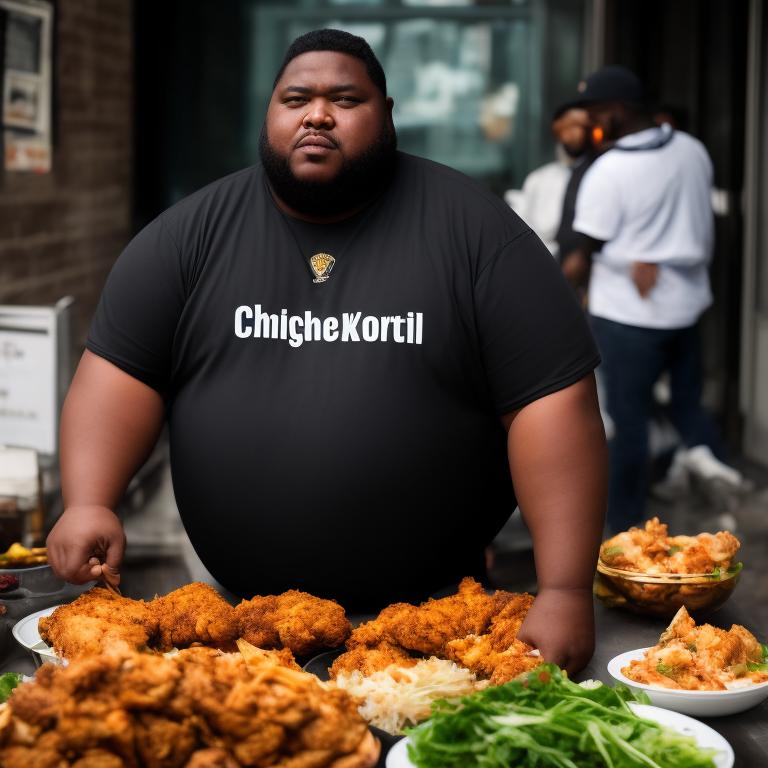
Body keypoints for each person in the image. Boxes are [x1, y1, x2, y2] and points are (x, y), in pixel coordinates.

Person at [46, 29, 606, 673]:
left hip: (436, 626)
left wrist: (564, 589)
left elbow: (553, 403)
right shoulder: (186, 237)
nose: (317, 114)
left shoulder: (480, 235)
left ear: (387, 114)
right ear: (270, 113)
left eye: (345, 98)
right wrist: (88, 499)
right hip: (235, 623)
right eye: (296, 98)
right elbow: (121, 374)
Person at [564, 65, 734, 533]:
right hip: (686, 307)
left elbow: (585, 250)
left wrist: (555, 294)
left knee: (627, 421)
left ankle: (624, 529)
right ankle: (704, 464)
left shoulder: (610, 169)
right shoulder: (691, 149)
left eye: (596, 111)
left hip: (627, 315)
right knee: (686, 402)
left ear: (617, 111)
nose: (591, 121)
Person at [506, 106, 593, 257]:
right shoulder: (540, 179)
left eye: (581, 127)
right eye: (568, 127)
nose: (575, 134)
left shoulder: (598, 175)